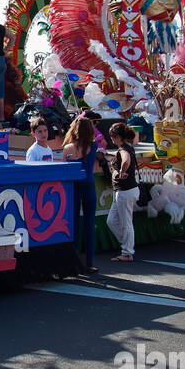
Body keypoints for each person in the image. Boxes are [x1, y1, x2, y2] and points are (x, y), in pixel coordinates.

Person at [61, 114, 99, 274]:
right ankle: (89, 262)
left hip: (73, 187)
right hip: (89, 186)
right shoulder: (93, 146)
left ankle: (74, 263)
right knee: (89, 225)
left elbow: (63, 169)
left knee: (73, 224)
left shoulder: (67, 149)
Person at [96, 122, 139, 263]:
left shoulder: (124, 150)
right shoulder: (126, 147)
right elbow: (121, 154)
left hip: (125, 191)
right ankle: (128, 244)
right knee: (112, 221)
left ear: (118, 137)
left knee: (125, 222)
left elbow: (125, 159)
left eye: (113, 137)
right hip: (124, 191)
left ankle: (127, 252)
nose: (111, 140)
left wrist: (122, 171)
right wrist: (107, 153)